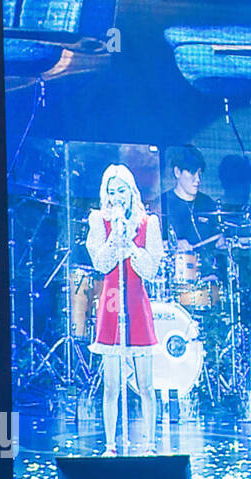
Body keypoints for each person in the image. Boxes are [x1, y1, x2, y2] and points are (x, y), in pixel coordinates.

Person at [86, 164, 165, 455]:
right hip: (111, 302)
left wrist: (130, 243)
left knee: (145, 384)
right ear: (105, 195)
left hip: (136, 302)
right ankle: (110, 445)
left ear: (132, 192)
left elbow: (151, 269)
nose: (117, 197)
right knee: (111, 385)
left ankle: (149, 444)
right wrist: (114, 237)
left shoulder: (149, 223)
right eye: (111, 192)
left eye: (122, 191)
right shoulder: (98, 221)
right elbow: (102, 263)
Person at [162, 145, 220, 251]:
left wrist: (221, 242)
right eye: (192, 173)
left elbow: (217, 236)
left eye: (199, 173)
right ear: (177, 172)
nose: (197, 179)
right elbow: (151, 245)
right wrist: (173, 244)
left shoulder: (208, 204)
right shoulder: (162, 204)